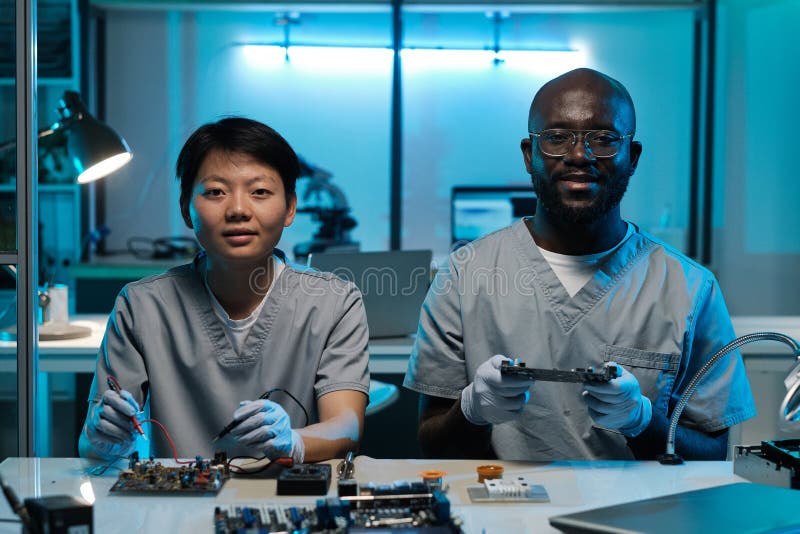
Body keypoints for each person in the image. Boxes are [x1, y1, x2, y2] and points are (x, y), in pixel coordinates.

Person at [403, 68, 755, 461]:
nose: (578, 156)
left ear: (632, 157)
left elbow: (716, 452)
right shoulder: (464, 275)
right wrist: (472, 412)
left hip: (639, 520)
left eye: (603, 139)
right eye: (556, 138)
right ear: (528, 154)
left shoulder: (690, 289)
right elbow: (430, 443)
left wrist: (642, 422)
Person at [79, 117, 369, 463]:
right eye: (216, 192)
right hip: (179, 509)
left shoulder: (334, 302)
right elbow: (93, 446)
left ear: (290, 207)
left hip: (290, 503)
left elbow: (346, 427)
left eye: (259, 192)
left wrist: (293, 441)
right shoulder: (142, 307)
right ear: (187, 208)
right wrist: (105, 435)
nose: (238, 210)